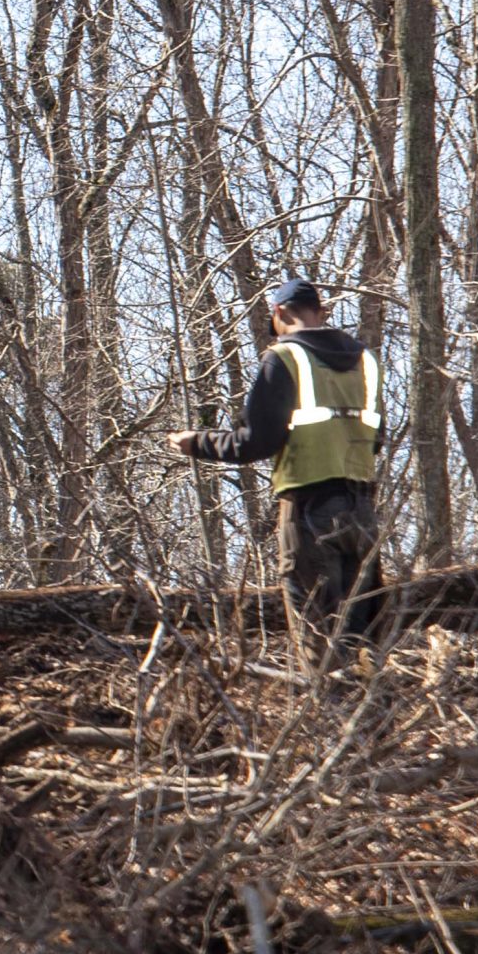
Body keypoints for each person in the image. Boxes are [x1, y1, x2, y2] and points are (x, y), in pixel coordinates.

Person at [168, 275, 384, 670]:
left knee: (319, 644)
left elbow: (255, 443)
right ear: (321, 312)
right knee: (361, 642)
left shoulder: (284, 358)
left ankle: (327, 707)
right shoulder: (366, 362)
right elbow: (376, 439)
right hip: (363, 513)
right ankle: (372, 707)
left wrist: (196, 442)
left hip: (309, 511)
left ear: (279, 313)